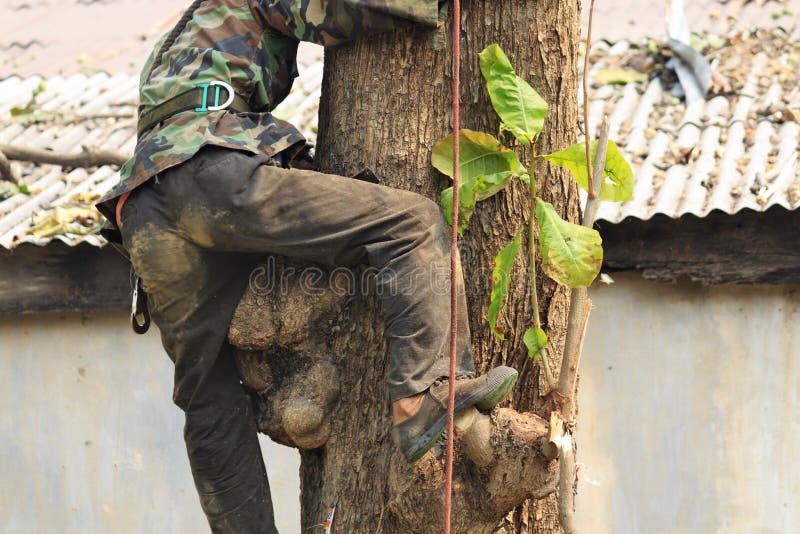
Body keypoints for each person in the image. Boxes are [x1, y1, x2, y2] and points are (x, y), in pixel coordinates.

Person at [96, 0, 518, 532]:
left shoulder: (177, 39)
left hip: (145, 206)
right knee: (411, 224)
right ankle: (425, 396)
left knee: (206, 395)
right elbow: (333, 9)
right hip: (209, 172)